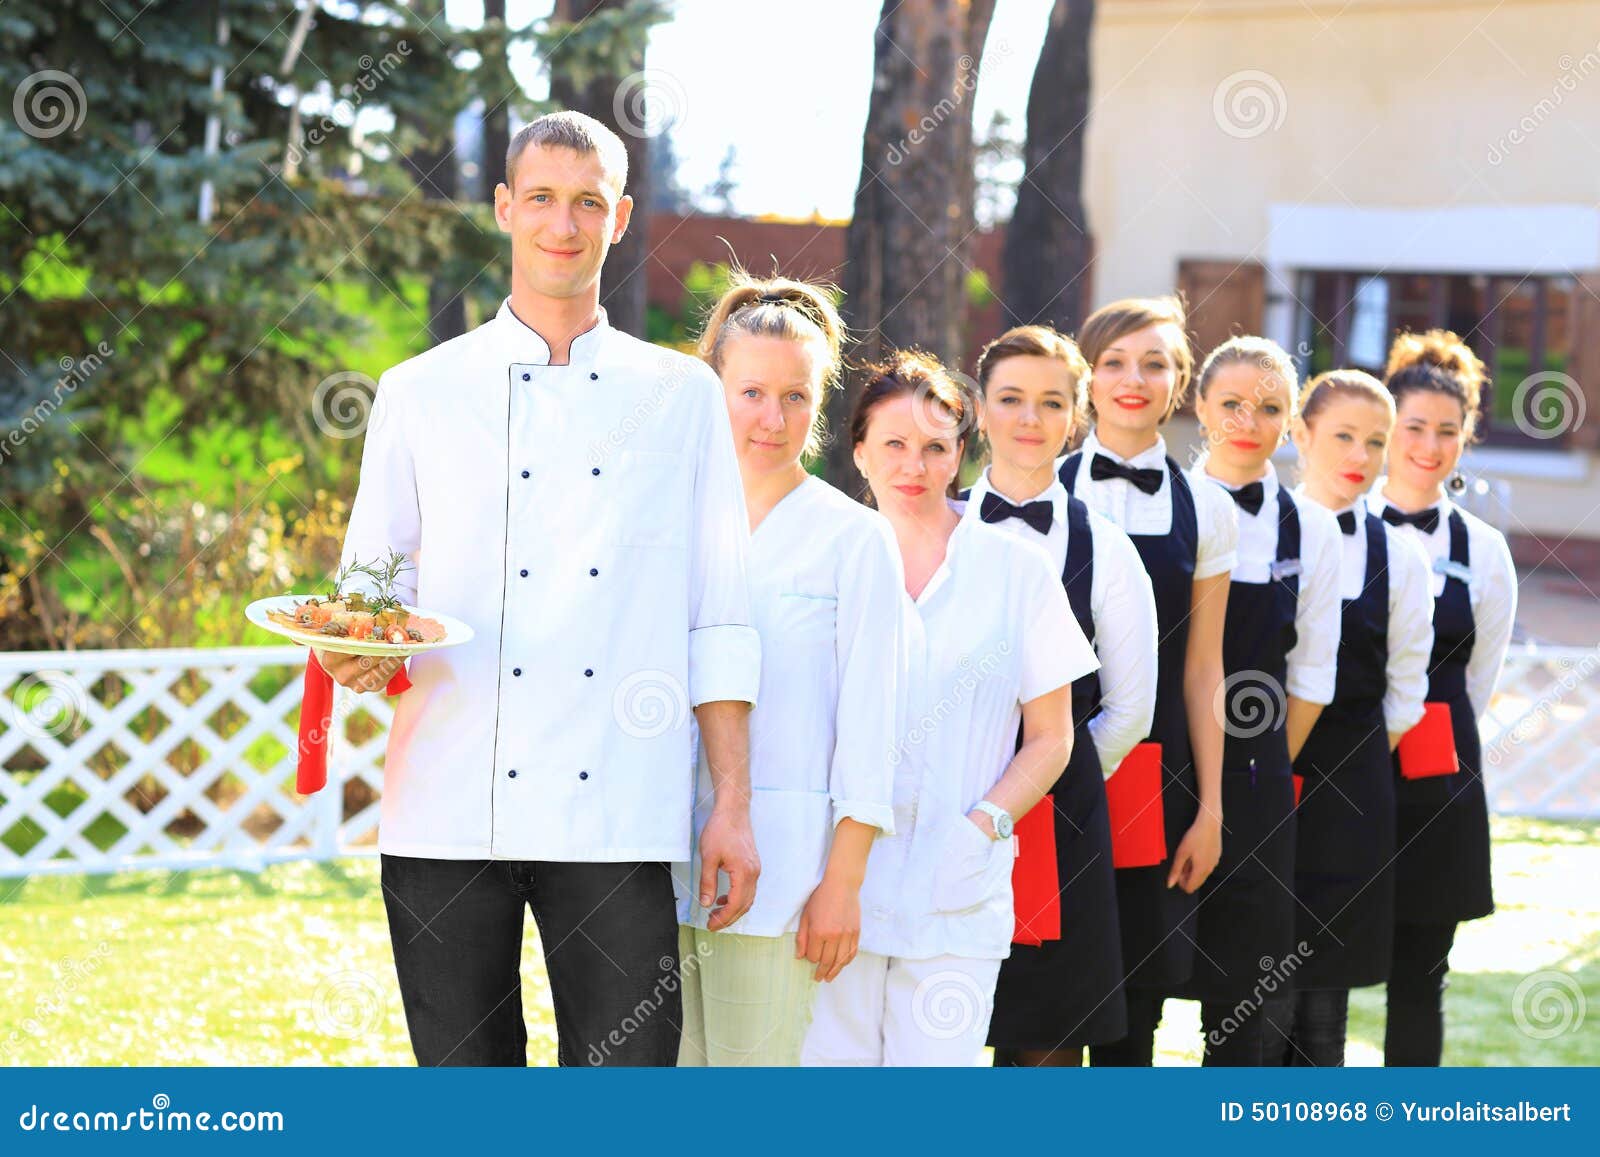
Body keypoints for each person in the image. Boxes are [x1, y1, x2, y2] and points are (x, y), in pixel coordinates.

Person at [321, 111, 761, 1067]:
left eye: (589, 203)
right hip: (446, 801)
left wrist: (732, 802)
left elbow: (721, 617)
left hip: (619, 809)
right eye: (543, 199)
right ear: (503, 207)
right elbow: (372, 589)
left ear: (621, 217)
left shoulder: (682, 396)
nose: (564, 225)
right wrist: (356, 651)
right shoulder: (419, 389)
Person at [801, 349, 1099, 1066]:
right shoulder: (818, 561)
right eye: (894, 444)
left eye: (936, 447)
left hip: (956, 887)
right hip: (830, 880)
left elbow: (1052, 736)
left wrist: (984, 823)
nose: (915, 465)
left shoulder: (1015, 569)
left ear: (960, 454)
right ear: (860, 451)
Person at [674, 272, 904, 1065]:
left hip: (781, 875)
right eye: (751, 393)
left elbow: (873, 725)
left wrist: (842, 882)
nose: (773, 419)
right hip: (650, 862)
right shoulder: (669, 522)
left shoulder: (854, 538)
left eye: (796, 397)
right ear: (713, 390)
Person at [961, 325, 1157, 1066]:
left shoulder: (1107, 546)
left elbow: (1130, 709)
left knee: (1041, 1046)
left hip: (1056, 821)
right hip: (933, 807)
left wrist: (1047, 778)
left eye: (1051, 402)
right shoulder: (925, 525)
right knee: (923, 1028)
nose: (1029, 418)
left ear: (1076, 416)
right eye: (1011, 398)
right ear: (980, 410)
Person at [1057, 296, 1235, 1066]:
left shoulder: (1209, 508)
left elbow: (1203, 666)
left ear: (1179, 381)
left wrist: (1211, 808)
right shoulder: (1044, 490)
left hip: (1157, 781)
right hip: (1048, 770)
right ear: (1087, 379)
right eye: (1115, 362)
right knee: (1042, 1006)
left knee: (1136, 1009)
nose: (1134, 379)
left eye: (1154, 363)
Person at [1177, 336, 1342, 1066]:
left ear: (1292, 422)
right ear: (1199, 406)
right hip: (1157, 763)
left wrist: (1256, 772)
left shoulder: (1313, 527)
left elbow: (1312, 677)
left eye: (1270, 408)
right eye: (1232, 403)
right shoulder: (1166, 506)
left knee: (1244, 1001)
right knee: (1136, 987)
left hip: (1257, 778)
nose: (1249, 421)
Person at [1270, 369, 1434, 1066]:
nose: (1360, 456)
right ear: (1301, 434)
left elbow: (1406, 691)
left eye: (1375, 441)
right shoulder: (1259, 530)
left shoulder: (1400, 553)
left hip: (1351, 787)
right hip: (1261, 773)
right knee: (1254, 972)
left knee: (1325, 989)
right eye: (1343, 436)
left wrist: (1354, 763)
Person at [1377, 330, 1517, 1067]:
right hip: (1342, 778)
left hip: (1438, 786)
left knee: (1419, 979)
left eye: (1447, 431)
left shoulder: (1485, 550)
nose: (1429, 447)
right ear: (1386, 428)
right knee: (1310, 978)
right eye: (1414, 427)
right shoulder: (1337, 526)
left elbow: (1478, 680)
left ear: (1466, 438)